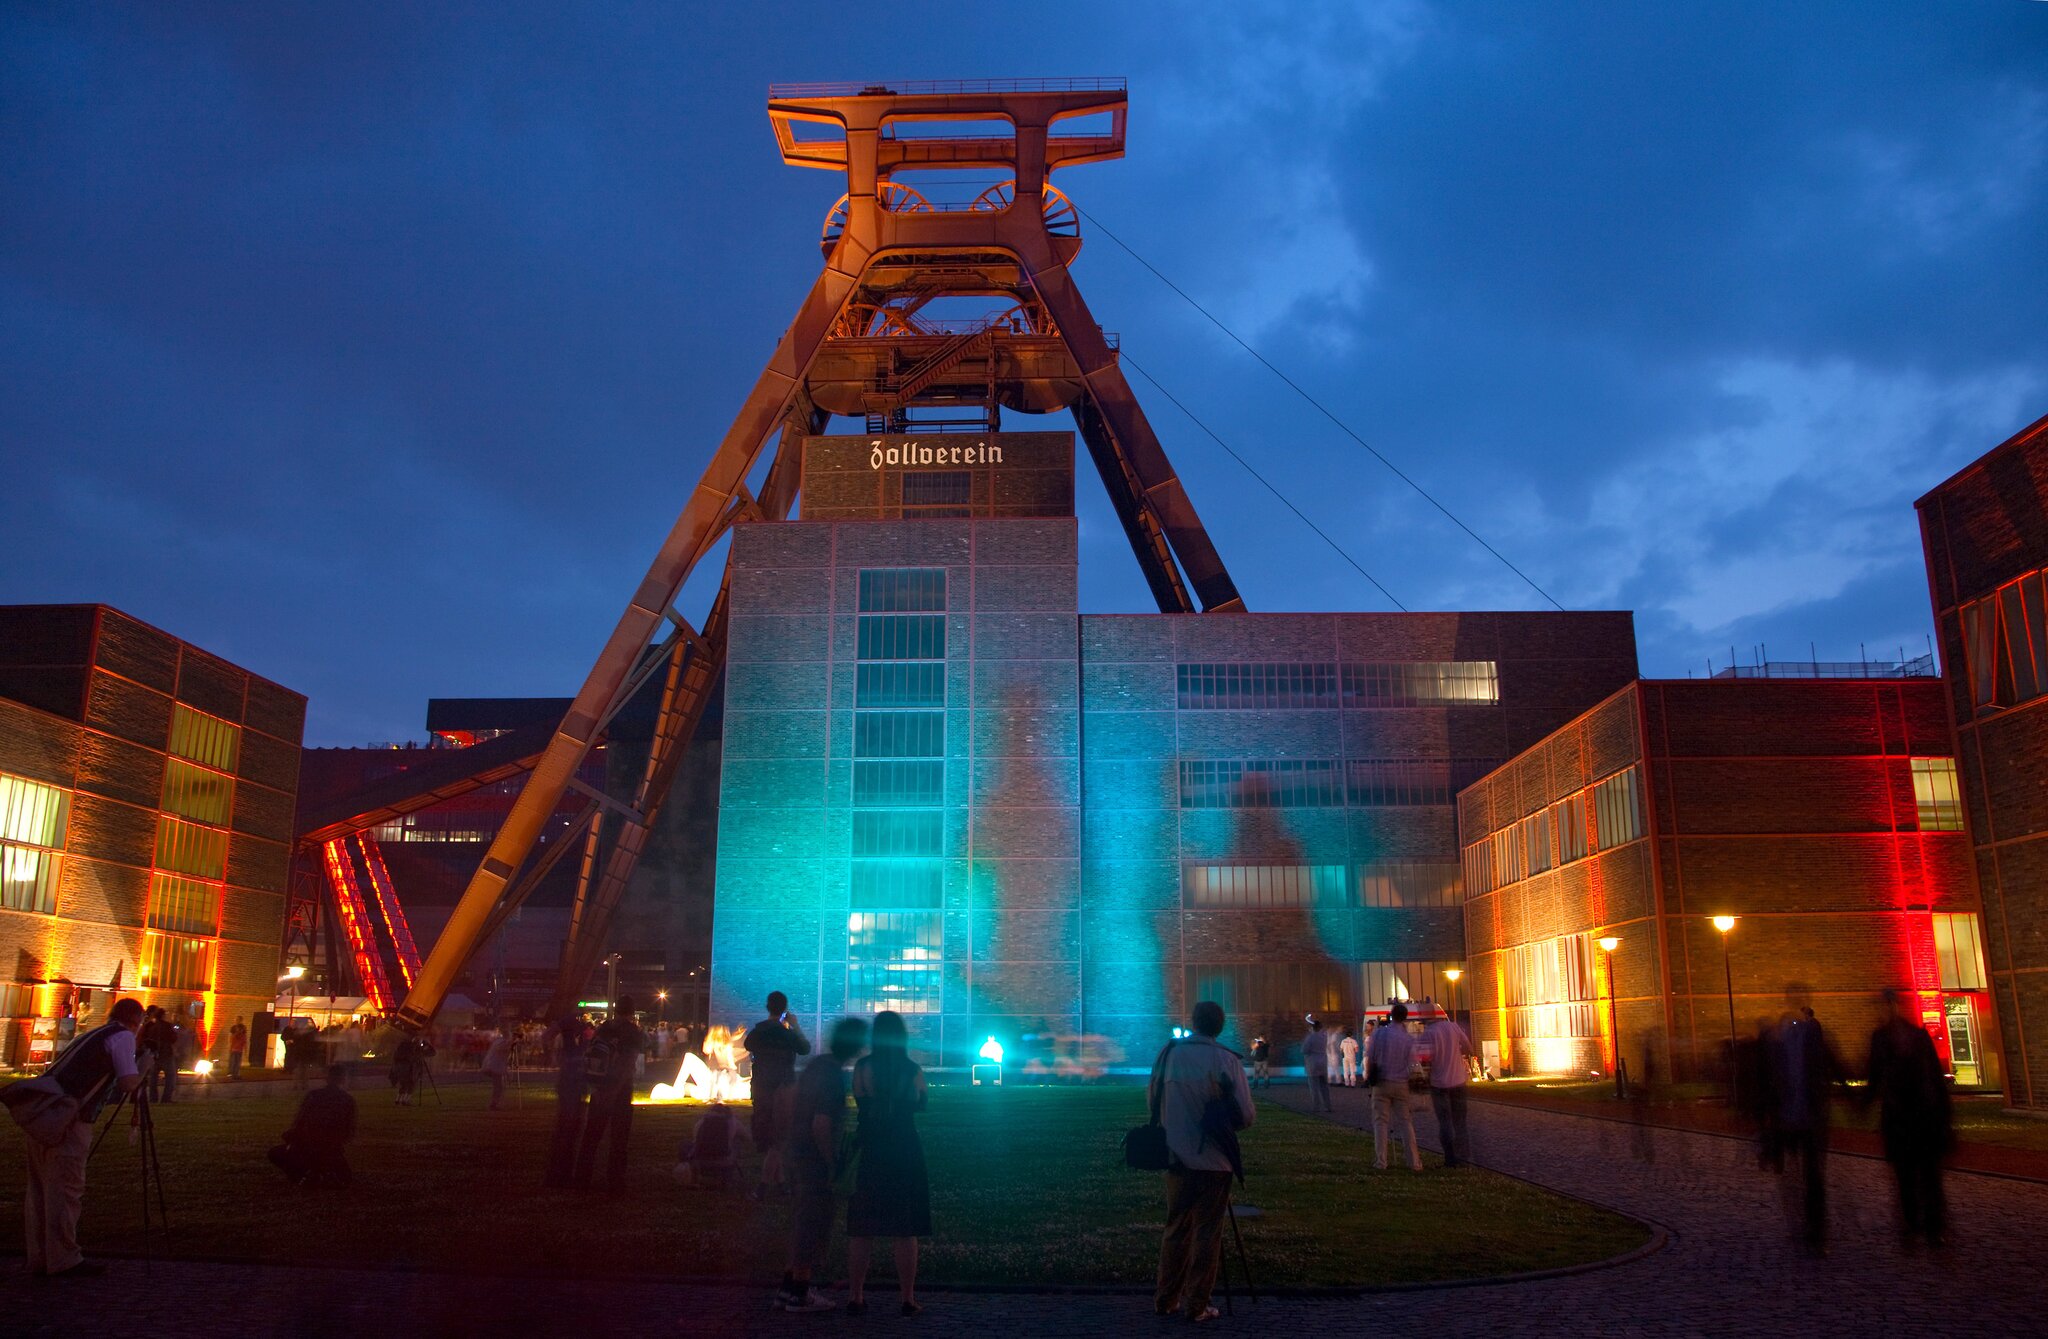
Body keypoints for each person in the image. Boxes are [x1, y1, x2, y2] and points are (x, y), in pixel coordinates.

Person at [17, 996, 144, 1277]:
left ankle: (39, 1257)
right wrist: (142, 1071)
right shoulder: (122, 1037)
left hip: (46, 1115)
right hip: (71, 1120)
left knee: (39, 1190)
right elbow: (126, 1081)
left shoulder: (95, 1034)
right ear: (136, 1021)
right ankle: (64, 1260)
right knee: (66, 1189)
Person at [1149, 1000, 1254, 1324]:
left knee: (1175, 1229)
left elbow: (1152, 1099)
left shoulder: (1169, 1054)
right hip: (1214, 1161)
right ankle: (1197, 1304)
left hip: (1175, 1157)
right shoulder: (1225, 1059)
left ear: (1194, 1022)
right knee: (1207, 1234)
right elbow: (1247, 1115)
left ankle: (1166, 1298)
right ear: (1219, 1027)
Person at [776, 1017, 869, 1313]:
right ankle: (800, 1295)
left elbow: (789, 1100)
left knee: (801, 1219)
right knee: (812, 1224)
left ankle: (788, 1288)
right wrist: (831, 1163)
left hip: (797, 1151)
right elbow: (822, 1122)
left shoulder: (818, 1065)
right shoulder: (833, 1075)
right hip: (814, 1160)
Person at [846, 1010, 931, 1317]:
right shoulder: (911, 1069)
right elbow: (922, 1102)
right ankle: (907, 1298)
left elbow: (859, 1100)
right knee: (905, 1228)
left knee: (862, 1228)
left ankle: (856, 1295)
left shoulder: (863, 1067)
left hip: (872, 1148)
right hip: (905, 1148)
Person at [1864, 989, 1953, 1250]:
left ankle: (1930, 1229)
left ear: (1893, 1006)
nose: (1880, 1012)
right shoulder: (1882, 1039)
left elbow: (1935, 1079)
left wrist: (1945, 1119)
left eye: (1883, 1006)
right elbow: (1874, 1078)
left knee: (1927, 1178)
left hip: (1920, 1118)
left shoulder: (1915, 1036)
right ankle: (1916, 1227)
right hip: (1902, 1120)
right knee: (1908, 1178)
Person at [1763, 985, 1844, 1256]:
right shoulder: (1777, 1036)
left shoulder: (1813, 1032)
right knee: (1791, 1174)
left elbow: (1829, 1064)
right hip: (1788, 1115)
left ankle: (1816, 1229)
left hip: (1810, 1115)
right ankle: (1800, 1221)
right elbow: (1770, 1077)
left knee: (1813, 1175)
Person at [574, 996, 647, 1195]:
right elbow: (627, 1063)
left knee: (591, 1136)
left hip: (599, 1087)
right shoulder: (632, 1032)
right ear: (632, 1011)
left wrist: (598, 1087)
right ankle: (615, 1182)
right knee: (619, 1140)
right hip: (620, 1091)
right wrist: (615, 1091)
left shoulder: (605, 1027)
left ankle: (582, 1178)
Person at [744, 991, 811, 1198]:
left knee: (770, 1137)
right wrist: (794, 1025)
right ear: (785, 1009)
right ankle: (765, 1186)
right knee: (779, 1139)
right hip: (784, 1088)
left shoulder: (759, 1031)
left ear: (767, 1007)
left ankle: (780, 1184)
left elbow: (748, 1045)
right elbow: (805, 1048)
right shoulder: (787, 1033)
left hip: (762, 1087)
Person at [273, 1064, 358, 1188]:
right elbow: (349, 1131)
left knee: (276, 1154)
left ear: (327, 1078)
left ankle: (304, 1173)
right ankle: (318, 1171)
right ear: (343, 1079)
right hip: (330, 1147)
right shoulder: (348, 1100)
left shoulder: (314, 1095)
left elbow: (299, 1121)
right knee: (343, 1177)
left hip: (309, 1144)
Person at [1366, 1002, 1423, 1171]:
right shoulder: (1407, 1039)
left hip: (1381, 1082)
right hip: (1400, 1084)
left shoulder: (1379, 1034)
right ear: (1405, 1018)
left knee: (1380, 1122)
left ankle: (1381, 1161)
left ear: (1391, 1015)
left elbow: (1370, 1057)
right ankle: (1414, 1162)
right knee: (1406, 1122)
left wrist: (1370, 1078)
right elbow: (1413, 1063)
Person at [1423, 1009, 1476, 1167]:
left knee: (1445, 1122)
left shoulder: (1429, 1033)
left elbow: (1424, 1058)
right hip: (1458, 1081)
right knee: (1460, 1121)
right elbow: (1468, 1047)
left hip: (1439, 1083)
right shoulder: (1453, 1027)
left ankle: (1450, 1157)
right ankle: (1464, 1155)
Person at [544, 1013, 592, 1188]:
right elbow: (546, 1035)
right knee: (568, 1127)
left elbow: (547, 1036)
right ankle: (560, 1173)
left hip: (574, 1083)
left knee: (570, 1128)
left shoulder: (575, 1035)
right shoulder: (569, 1025)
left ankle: (561, 1172)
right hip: (571, 1084)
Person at [677, 1101, 742, 1190]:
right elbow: (746, 1137)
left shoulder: (702, 1123)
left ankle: (690, 1176)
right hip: (724, 1157)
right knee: (736, 1143)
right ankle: (727, 1178)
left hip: (700, 1157)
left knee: (684, 1144)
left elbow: (696, 1139)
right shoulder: (731, 1123)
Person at [390, 1032, 433, 1106]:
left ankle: (398, 1099)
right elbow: (432, 1052)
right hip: (411, 1068)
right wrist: (426, 1045)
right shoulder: (414, 1048)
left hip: (402, 1068)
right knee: (411, 1084)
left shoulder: (403, 1045)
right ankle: (405, 1100)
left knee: (404, 1084)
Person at [1302, 1017, 1332, 1112]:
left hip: (1312, 1063)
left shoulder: (1310, 1037)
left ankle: (1316, 1106)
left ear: (1312, 1027)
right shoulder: (1324, 1036)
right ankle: (1328, 1106)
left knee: (1314, 1086)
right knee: (1324, 1086)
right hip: (1323, 1061)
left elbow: (1304, 1050)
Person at [481, 1026, 512, 1111]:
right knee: (498, 1086)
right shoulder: (502, 1042)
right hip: (494, 1066)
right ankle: (493, 1104)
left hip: (493, 1065)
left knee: (498, 1086)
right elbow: (500, 1053)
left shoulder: (499, 1041)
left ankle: (495, 1103)